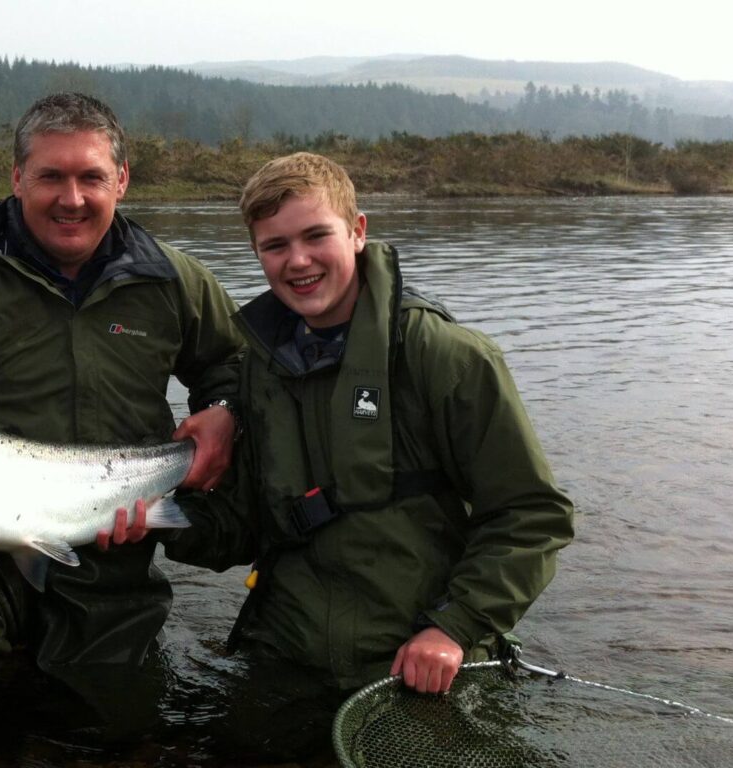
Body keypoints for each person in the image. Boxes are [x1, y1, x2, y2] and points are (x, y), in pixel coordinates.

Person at [105, 151, 574, 760]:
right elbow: (241, 529)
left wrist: (453, 628)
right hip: (284, 656)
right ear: (257, 253)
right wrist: (157, 519)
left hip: (413, 663)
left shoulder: (448, 357)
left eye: (315, 236)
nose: (297, 261)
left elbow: (532, 515)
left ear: (357, 231)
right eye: (275, 246)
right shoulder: (257, 371)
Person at [0, 92, 245, 760]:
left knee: (115, 735)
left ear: (122, 181)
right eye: (51, 177)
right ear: (16, 179)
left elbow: (235, 365)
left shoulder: (173, 280)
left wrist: (225, 414)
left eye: (91, 177)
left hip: (113, 553)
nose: (72, 198)